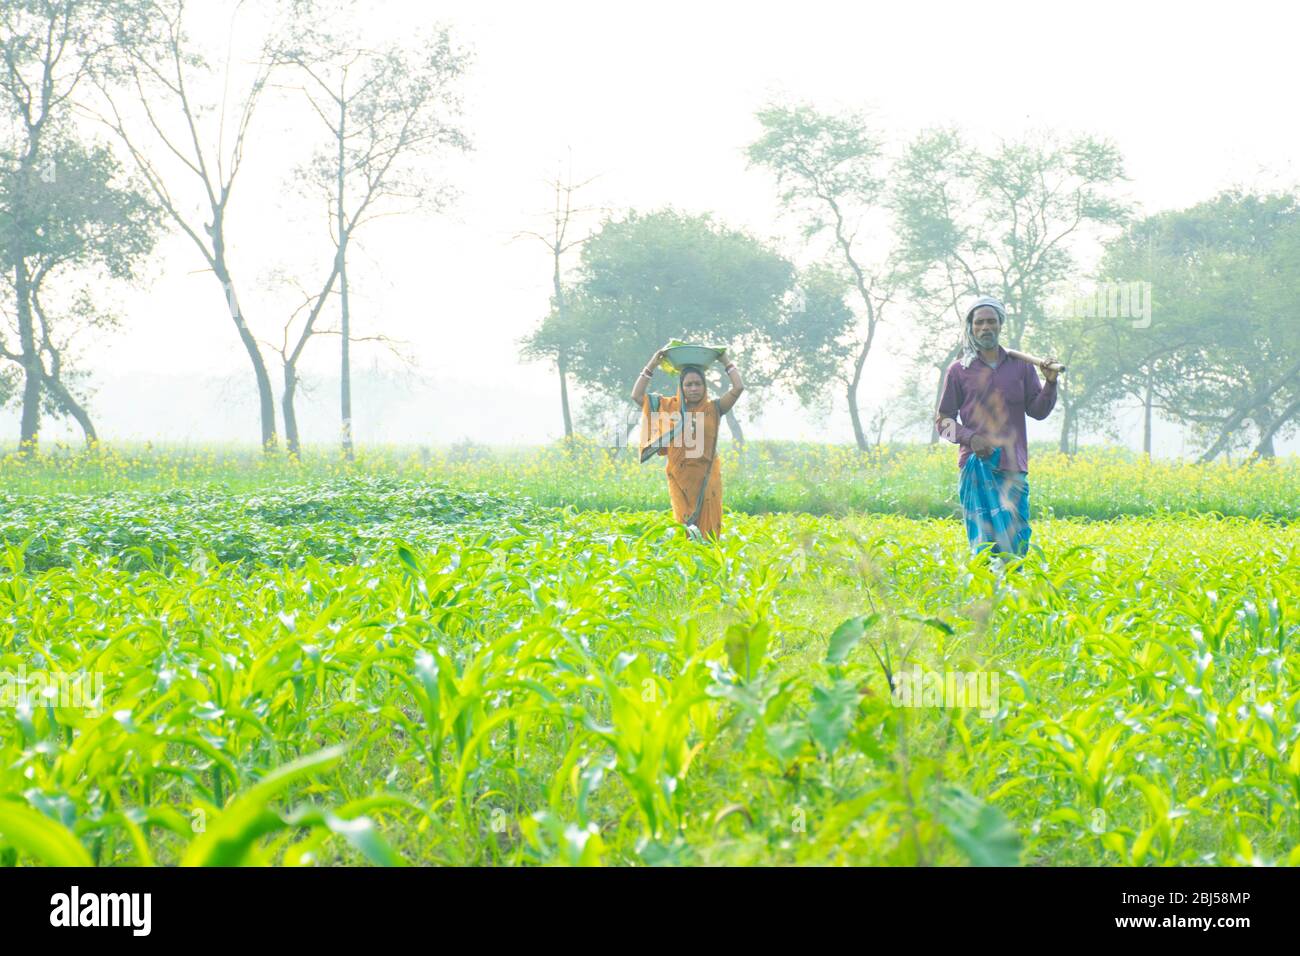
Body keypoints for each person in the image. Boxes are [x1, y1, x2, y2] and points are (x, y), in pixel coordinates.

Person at [935, 296, 1059, 559]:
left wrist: (1050, 383)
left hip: (1013, 467)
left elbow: (1038, 411)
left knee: (1017, 541)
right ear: (971, 327)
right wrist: (971, 438)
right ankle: (986, 597)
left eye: (991, 321)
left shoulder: (1021, 366)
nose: (985, 328)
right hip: (975, 468)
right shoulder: (959, 370)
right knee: (984, 545)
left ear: (1001, 325)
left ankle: (1014, 594)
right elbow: (943, 423)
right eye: (979, 323)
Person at [631, 343, 745, 540]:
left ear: (704, 386)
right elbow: (637, 395)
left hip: (708, 481)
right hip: (679, 480)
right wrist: (652, 363)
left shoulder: (713, 409)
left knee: (709, 535)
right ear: (681, 387)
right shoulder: (669, 408)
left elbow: (738, 387)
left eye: (698, 384)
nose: (693, 388)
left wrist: (724, 359)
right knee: (684, 531)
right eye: (688, 384)